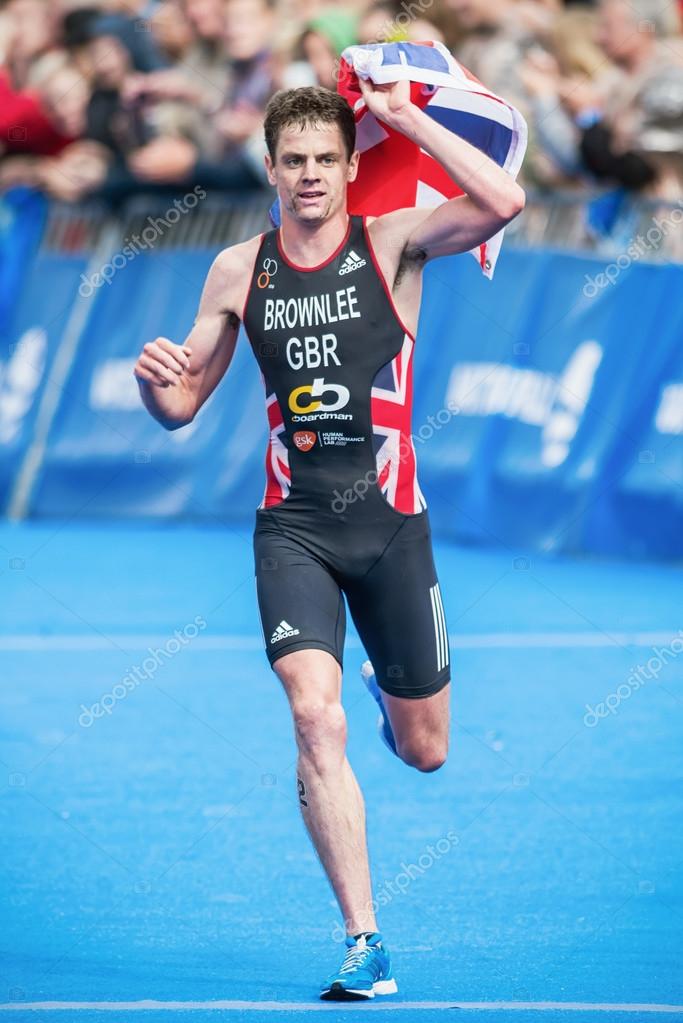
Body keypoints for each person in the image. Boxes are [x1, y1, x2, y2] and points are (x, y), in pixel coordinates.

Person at [133, 82, 524, 1000]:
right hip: (293, 527)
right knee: (313, 713)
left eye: (326, 159)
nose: (309, 176)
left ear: (352, 165)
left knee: (424, 748)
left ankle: (383, 695)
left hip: (391, 526)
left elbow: (504, 203)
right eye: (292, 161)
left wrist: (412, 113)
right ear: (270, 169)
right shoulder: (238, 270)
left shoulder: (391, 240)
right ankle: (364, 940)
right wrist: (156, 382)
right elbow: (181, 405)